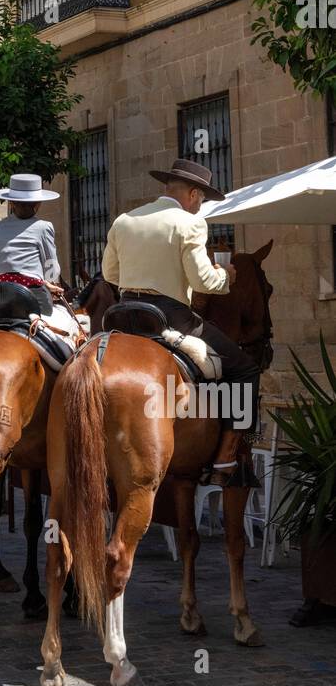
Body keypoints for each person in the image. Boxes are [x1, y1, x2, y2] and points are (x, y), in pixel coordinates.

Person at [101, 156, 260, 488]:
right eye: (201, 199)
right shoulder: (189, 223)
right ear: (192, 193)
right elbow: (203, 282)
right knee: (245, 368)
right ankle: (227, 453)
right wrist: (226, 275)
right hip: (169, 316)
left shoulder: (125, 220)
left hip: (124, 313)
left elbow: (109, 275)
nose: (199, 205)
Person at [0, 173, 65, 315]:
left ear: (11, 203)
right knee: (57, 329)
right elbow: (51, 266)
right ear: (37, 204)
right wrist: (53, 285)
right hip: (32, 293)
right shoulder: (43, 226)